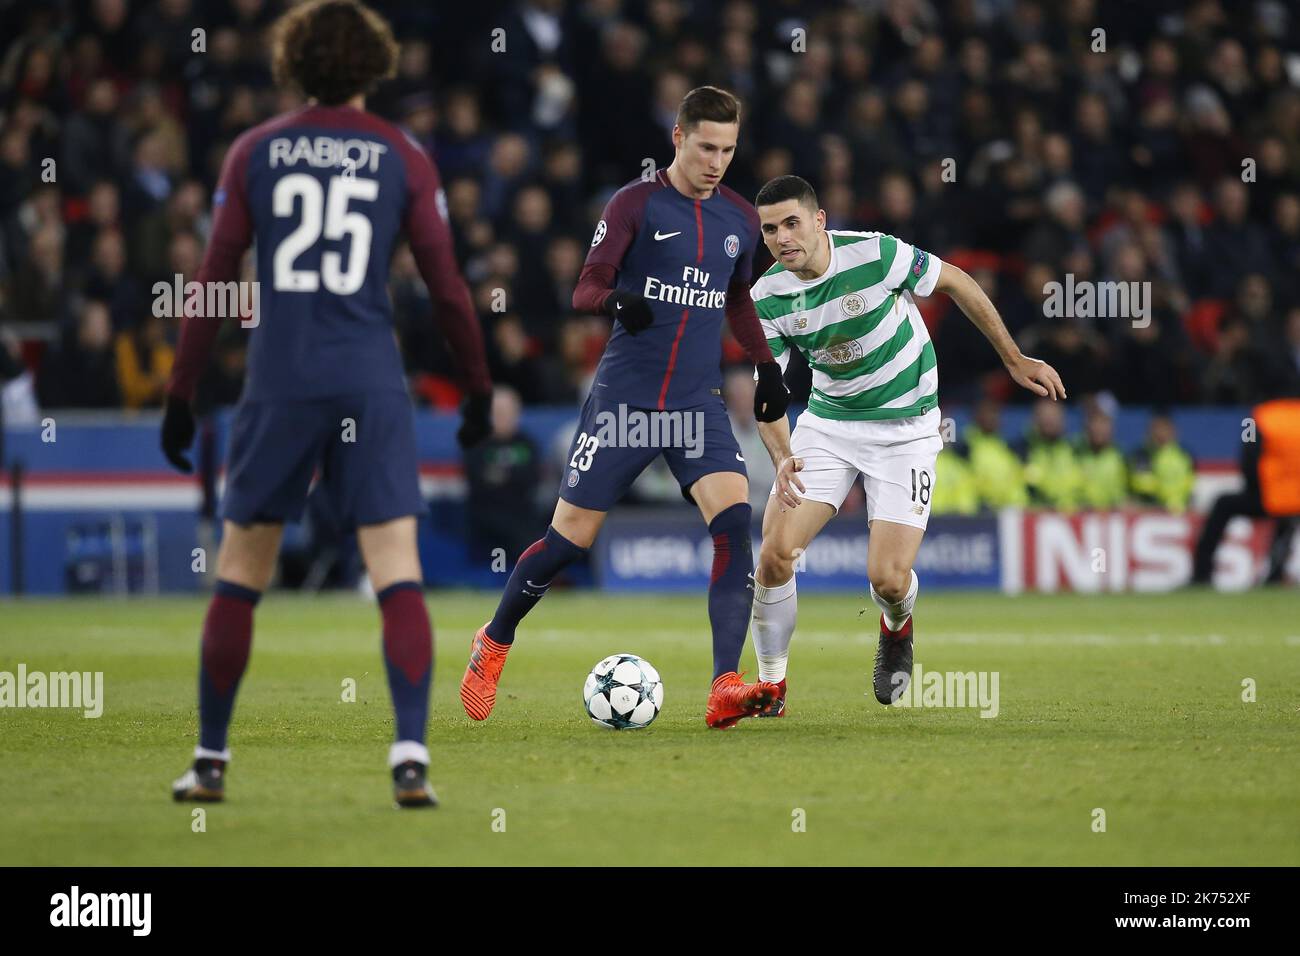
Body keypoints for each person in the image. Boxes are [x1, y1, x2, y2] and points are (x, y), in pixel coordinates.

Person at [160, 0, 492, 808]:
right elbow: (447, 289)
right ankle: (410, 756)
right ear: (376, 63)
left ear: (290, 63)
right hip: (369, 378)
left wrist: (181, 391)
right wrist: (478, 386)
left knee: (241, 571)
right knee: (395, 570)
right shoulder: (403, 155)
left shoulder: (254, 152)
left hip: (279, 376)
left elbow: (209, 283)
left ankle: (210, 761)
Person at [460, 86, 791, 729]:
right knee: (567, 542)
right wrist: (616, 303)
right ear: (678, 137)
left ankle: (725, 683)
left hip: (696, 402)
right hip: (626, 402)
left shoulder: (739, 221)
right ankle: (494, 639)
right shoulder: (634, 203)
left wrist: (766, 364)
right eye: (705, 147)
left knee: (732, 527)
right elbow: (586, 284)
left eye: (727, 149)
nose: (717, 161)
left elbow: (740, 301)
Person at [747, 175, 1064, 714]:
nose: (781, 238)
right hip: (829, 425)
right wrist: (781, 458)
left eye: (792, 223)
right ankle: (770, 686)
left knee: (888, 579)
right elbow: (768, 391)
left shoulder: (876, 254)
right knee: (775, 556)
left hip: (906, 430)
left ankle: (897, 626)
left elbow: (957, 281)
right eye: (770, 229)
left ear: (820, 221)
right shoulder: (767, 295)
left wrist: (1014, 358)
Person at [1192, 396, 1300, 585]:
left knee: (1223, 504)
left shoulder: (1253, 418)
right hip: (1295, 501)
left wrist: (1253, 488)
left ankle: (1202, 572)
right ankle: (1275, 574)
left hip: (1270, 497)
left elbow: (1248, 455)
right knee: (1287, 521)